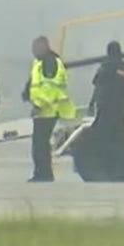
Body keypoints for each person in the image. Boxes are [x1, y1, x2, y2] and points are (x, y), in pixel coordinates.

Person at [21, 36, 75, 182]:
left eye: (35, 47)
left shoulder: (49, 62)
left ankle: (44, 174)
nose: (33, 51)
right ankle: (42, 173)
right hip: (46, 110)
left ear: (43, 47)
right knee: (41, 144)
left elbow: (49, 88)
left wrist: (39, 105)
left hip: (48, 110)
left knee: (40, 144)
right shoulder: (43, 62)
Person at [89, 41, 124, 171]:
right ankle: (119, 168)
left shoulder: (104, 68)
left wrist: (92, 105)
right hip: (120, 111)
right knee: (119, 142)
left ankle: (106, 167)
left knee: (104, 141)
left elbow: (97, 88)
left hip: (105, 111)